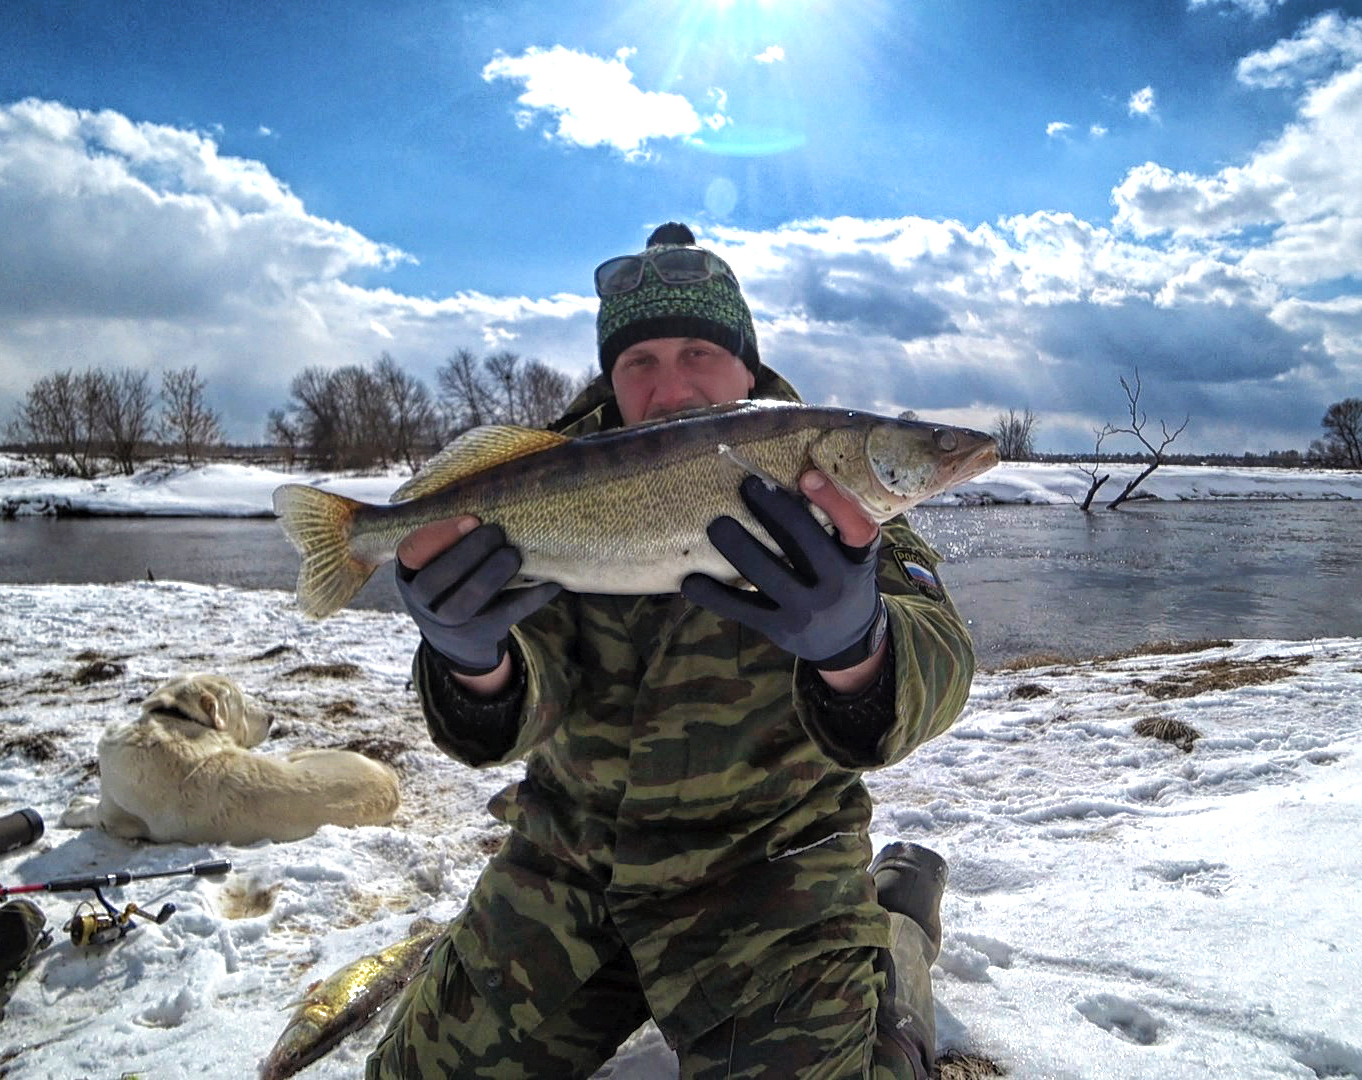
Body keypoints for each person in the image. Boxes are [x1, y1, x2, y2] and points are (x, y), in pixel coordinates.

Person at [365, 223, 974, 1079]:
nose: (668, 386)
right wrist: (473, 660)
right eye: (637, 363)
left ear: (747, 368)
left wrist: (858, 647)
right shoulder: (555, 483)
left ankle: (899, 943)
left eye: (697, 352)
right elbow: (522, 694)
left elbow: (944, 651)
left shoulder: (826, 476)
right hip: (567, 869)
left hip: (769, 877)